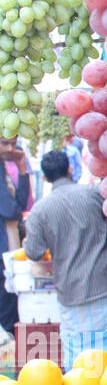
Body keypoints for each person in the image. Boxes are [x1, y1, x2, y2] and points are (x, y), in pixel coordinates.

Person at [22, 150, 107, 369]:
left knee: (80, 362)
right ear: (70, 169)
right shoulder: (93, 193)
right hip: (103, 284)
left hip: (71, 293)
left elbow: (33, 253)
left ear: (46, 177)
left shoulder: (39, 211)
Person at [0, 137, 31, 338]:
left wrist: (22, 169)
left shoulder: (4, 168)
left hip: (7, 239)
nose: (11, 148)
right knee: (6, 293)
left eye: (14, 143)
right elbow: (12, 210)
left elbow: (20, 203)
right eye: (5, 143)